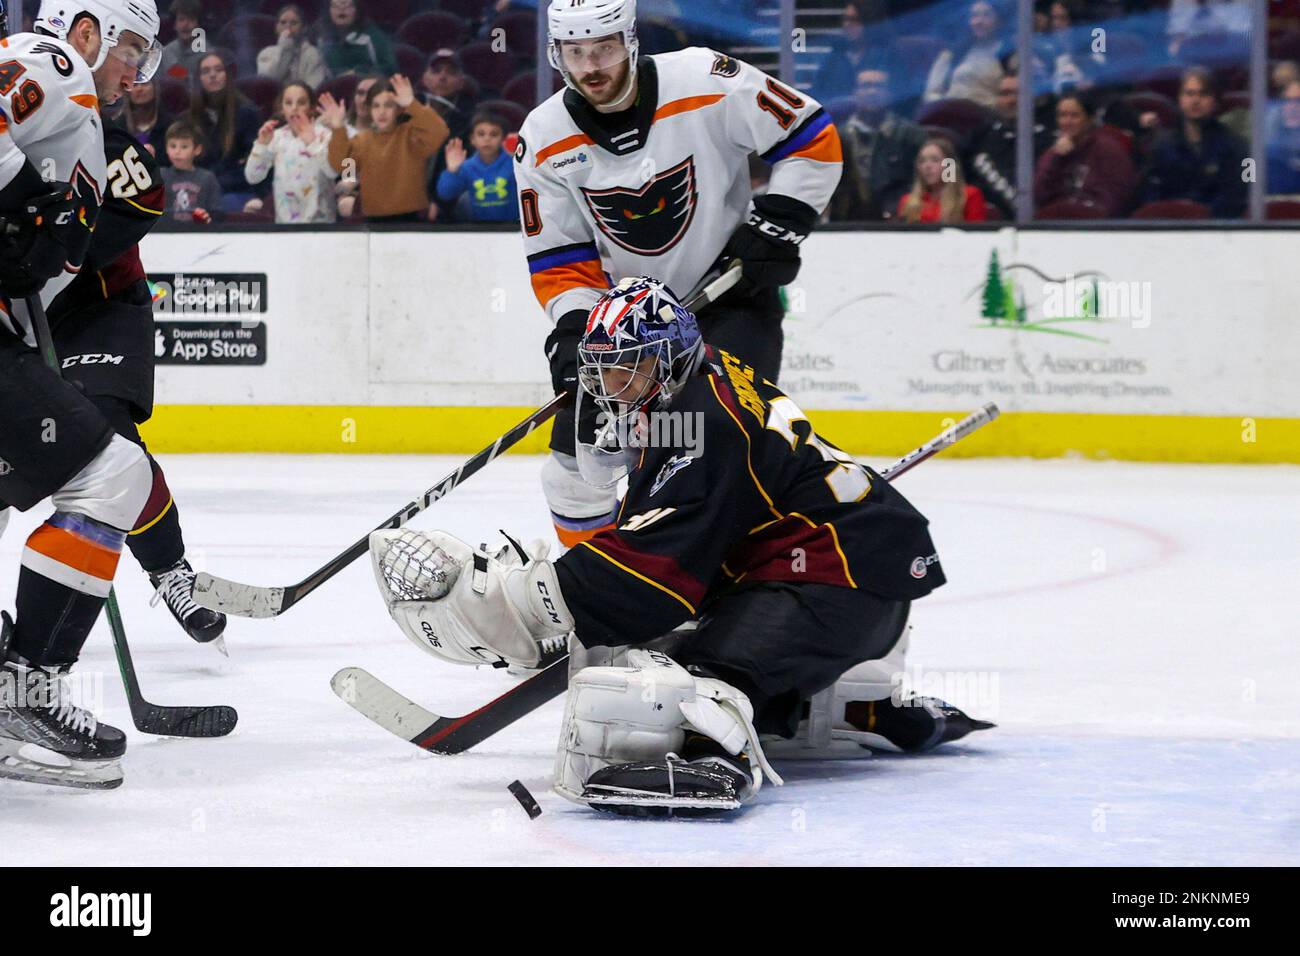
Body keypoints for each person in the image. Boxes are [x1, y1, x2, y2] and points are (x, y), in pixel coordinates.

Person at [368, 278, 992, 816]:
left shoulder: (705, 422)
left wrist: (537, 605)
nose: (609, 383)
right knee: (689, 631)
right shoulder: (698, 384)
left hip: (839, 587)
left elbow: (659, 568)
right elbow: (675, 526)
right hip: (850, 576)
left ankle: (716, 758)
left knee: (696, 675)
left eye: (625, 365)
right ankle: (856, 707)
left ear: (666, 358)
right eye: (602, 368)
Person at [514, 0, 842, 548]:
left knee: (705, 448)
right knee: (573, 473)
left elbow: (810, 133)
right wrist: (573, 332)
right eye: (576, 53)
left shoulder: (704, 80)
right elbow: (560, 259)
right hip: (627, 333)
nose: (591, 66)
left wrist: (778, 224)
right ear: (556, 55)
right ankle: (599, 594)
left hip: (733, 299)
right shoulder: (543, 137)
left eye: (604, 48)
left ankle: (717, 582)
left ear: (631, 41)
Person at [0, 0, 163, 791]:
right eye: (130, 44)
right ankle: (26, 687)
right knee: (114, 474)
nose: (137, 64)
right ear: (87, 29)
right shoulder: (52, 62)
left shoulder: (91, 122)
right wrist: (21, 191)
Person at [48, 117, 227, 647]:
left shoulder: (68, 111)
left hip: (96, 305)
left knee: (112, 442)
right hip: (15, 314)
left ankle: (170, 569)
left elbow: (142, 194)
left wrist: (50, 259)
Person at [324, 75, 449, 222]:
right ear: (369, 109)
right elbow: (342, 164)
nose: (381, 112)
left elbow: (440, 132)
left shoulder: (412, 135)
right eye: (376, 106)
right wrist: (338, 128)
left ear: (399, 109)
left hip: (412, 219)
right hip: (373, 220)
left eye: (388, 105)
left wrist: (412, 104)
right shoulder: (361, 141)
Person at [1138, 68, 1248, 219]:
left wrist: (1200, 215)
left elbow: (1236, 197)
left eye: (1203, 94)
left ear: (1214, 101)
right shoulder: (1160, 147)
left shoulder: (1236, 146)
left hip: (1217, 230)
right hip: (1168, 229)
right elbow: (1150, 194)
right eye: (1189, 93)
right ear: (1180, 99)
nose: (1195, 100)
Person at [828, 66, 926, 221]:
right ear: (855, 92)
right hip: (845, 220)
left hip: (899, 219)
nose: (872, 92)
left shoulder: (911, 136)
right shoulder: (838, 137)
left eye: (879, 86)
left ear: (889, 94)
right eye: (866, 86)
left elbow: (936, 172)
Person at [245, 82, 339, 224]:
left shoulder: (325, 135)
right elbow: (252, 177)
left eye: (301, 103)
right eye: (288, 103)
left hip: (321, 225)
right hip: (284, 226)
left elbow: (334, 171)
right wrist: (261, 145)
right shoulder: (277, 137)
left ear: (312, 108)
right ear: (282, 108)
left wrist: (313, 144)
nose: (294, 108)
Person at [964, 72, 1052, 218]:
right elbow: (951, 161)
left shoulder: (1047, 140)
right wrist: (950, 186)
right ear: (997, 99)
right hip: (982, 225)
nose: (1012, 100)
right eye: (1005, 94)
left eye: (1018, 94)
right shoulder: (980, 135)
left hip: (1032, 225)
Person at [1033, 91, 1135, 216]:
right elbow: (1038, 195)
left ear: (1089, 119)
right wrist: (1057, 159)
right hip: (1055, 226)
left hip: (1094, 227)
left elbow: (1114, 200)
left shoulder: (1110, 152)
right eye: (1062, 115)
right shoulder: (1053, 153)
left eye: (1074, 116)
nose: (1067, 122)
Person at [187, 52, 264, 212]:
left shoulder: (247, 114)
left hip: (237, 191)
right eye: (206, 71)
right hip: (197, 192)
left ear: (227, 75)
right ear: (198, 79)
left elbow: (255, 164)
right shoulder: (188, 119)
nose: (213, 75)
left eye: (218, 69)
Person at [923, 0, 1008, 108]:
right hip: (948, 116)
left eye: (986, 15)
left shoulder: (1009, 54)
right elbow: (931, 94)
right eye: (974, 16)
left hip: (988, 118)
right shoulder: (953, 54)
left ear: (999, 20)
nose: (979, 21)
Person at [436, 113, 517, 222]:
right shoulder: (467, 167)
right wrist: (452, 170)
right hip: (479, 230)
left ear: (503, 139)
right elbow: (445, 194)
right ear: (472, 140)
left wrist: (520, 159)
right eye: (481, 134)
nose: (487, 139)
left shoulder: (514, 163)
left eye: (494, 134)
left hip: (514, 228)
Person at [897, 136, 988, 223]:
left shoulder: (969, 195)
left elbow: (976, 236)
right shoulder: (907, 201)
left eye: (935, 160)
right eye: (922, 161)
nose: (927, 166)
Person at [318, 0, 397, 78]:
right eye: (335, 6)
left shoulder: (373, 36)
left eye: (348, 5)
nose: (341, 10)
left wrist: (358, 72)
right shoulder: (321, 37)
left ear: (358, 9)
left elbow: (390, 68)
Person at [161, 121, 222, 222]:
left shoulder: (207, 178)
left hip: (199, 233)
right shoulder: (161, 175)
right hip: (165, 233)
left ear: (197, 149)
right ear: (166, 148)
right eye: (173, 146)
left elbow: (216, 212)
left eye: (184, 147)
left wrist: (208, 217)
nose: (177, 152)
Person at [257, 4, 328, 90]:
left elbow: (314, 90)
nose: (287, 27)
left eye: (293, 23)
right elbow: (267, 85)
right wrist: (285, 50)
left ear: (303, 28)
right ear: (276, 27)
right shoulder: (266, 53)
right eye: (283, 22)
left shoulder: (312, 54)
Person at [122, 76, 171, 158]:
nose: (139, 89)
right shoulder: (118, 126)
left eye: (145, 83)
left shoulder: (170, 124)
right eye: (135, 85)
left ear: (155, 88)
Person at [158, 0, 204, 83]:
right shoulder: (165, 53)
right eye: (181, 19)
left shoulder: (209, 54)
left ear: (198, 25)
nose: (185, 24)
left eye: (191, 19)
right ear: (175, 25)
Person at [1267, 79, 1300, 196]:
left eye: (1298, 102)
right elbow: (1248, 180)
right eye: (1288, 101)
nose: (1294, 107)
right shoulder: (1266, 147)